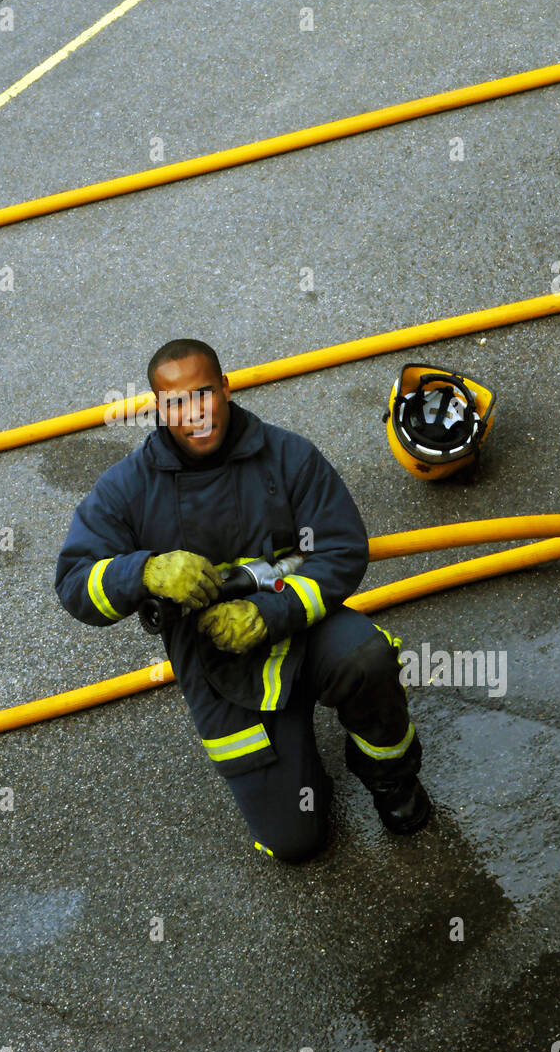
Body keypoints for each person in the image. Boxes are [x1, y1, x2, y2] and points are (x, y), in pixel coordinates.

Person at [54, 339, 430, 861]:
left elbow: (341, 549)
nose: (195, 415)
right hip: (216, 663)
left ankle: (388, 775)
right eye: (176, 403)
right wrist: (143, 570)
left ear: (227, 388)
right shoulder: (128, 489)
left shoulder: (288, 457)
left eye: (204, 394)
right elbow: (75, 583)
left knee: (365, 658)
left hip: (302, 628)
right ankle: (297, 771)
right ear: (158, 410)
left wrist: (269, 611)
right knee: (296, 842)